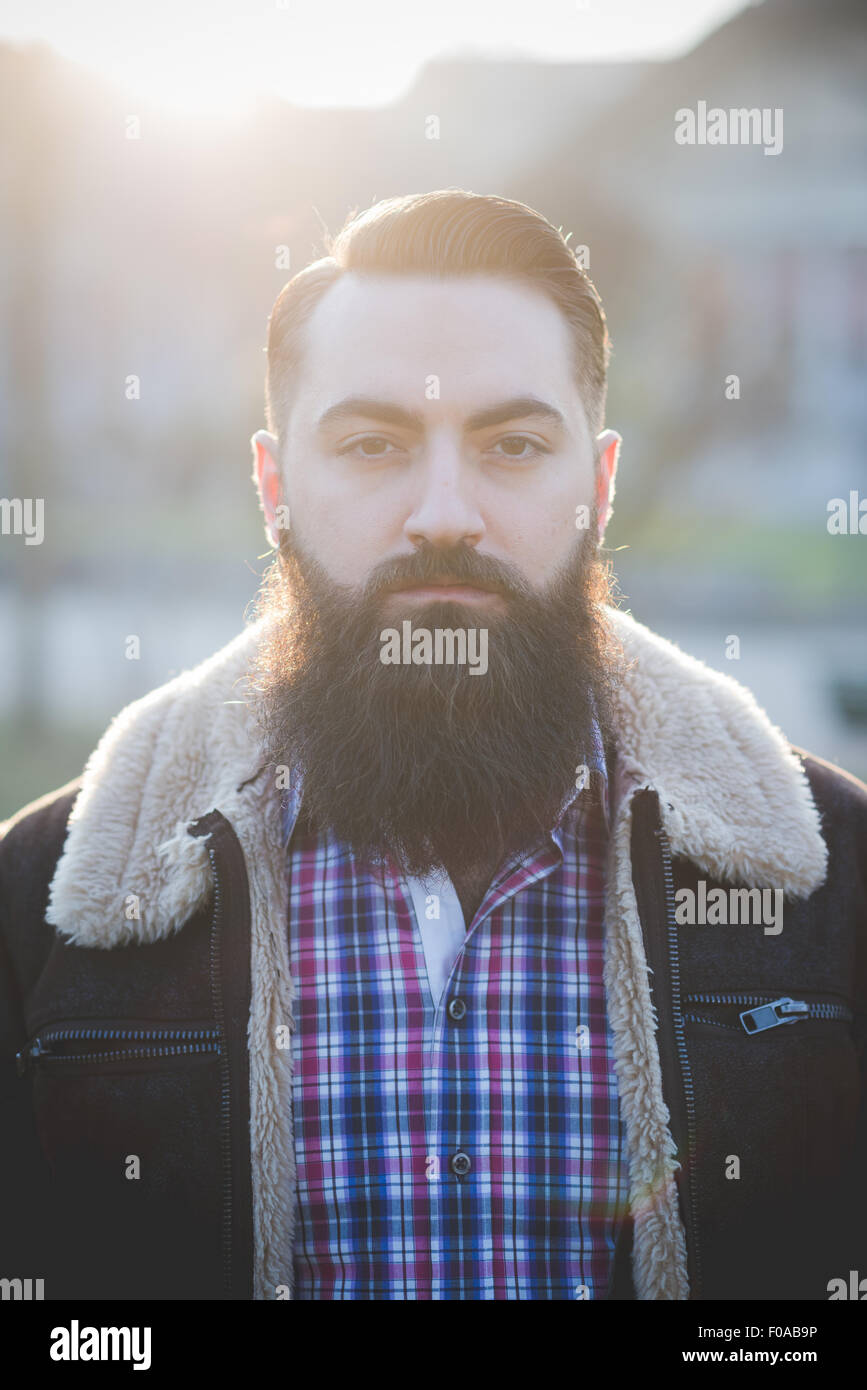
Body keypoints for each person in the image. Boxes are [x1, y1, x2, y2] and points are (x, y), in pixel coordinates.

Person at [1, 190, 864, 1301]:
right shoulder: (46, 910)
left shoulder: (837, 891)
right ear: (274, 488)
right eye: (373, 444)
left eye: (512, 444)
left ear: (598, 488)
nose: (444, 514)